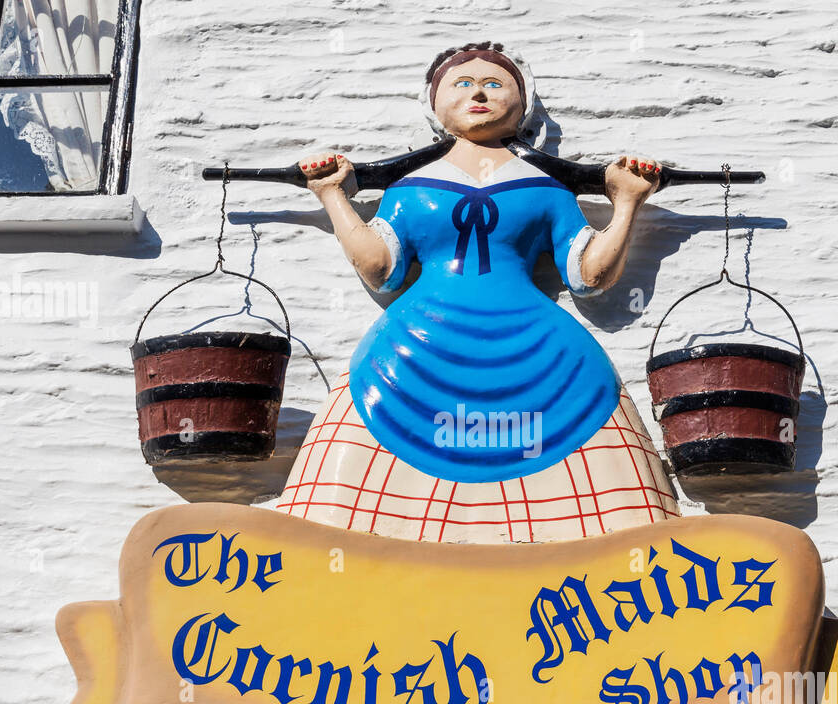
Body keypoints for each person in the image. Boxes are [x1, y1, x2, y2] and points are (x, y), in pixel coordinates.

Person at [274, 41, 679, 543]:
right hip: (415, 346)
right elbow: (381, 269)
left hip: (538, 348)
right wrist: (332, 194)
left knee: (602, 467)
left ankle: (597, 559)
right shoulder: (412, 188)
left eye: (495, 83)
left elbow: (588, 276)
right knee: (351, 466)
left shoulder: (544, 188)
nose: (479, 93)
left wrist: (627, 203)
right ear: (435, 102)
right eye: (462, 84)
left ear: (522, 103)